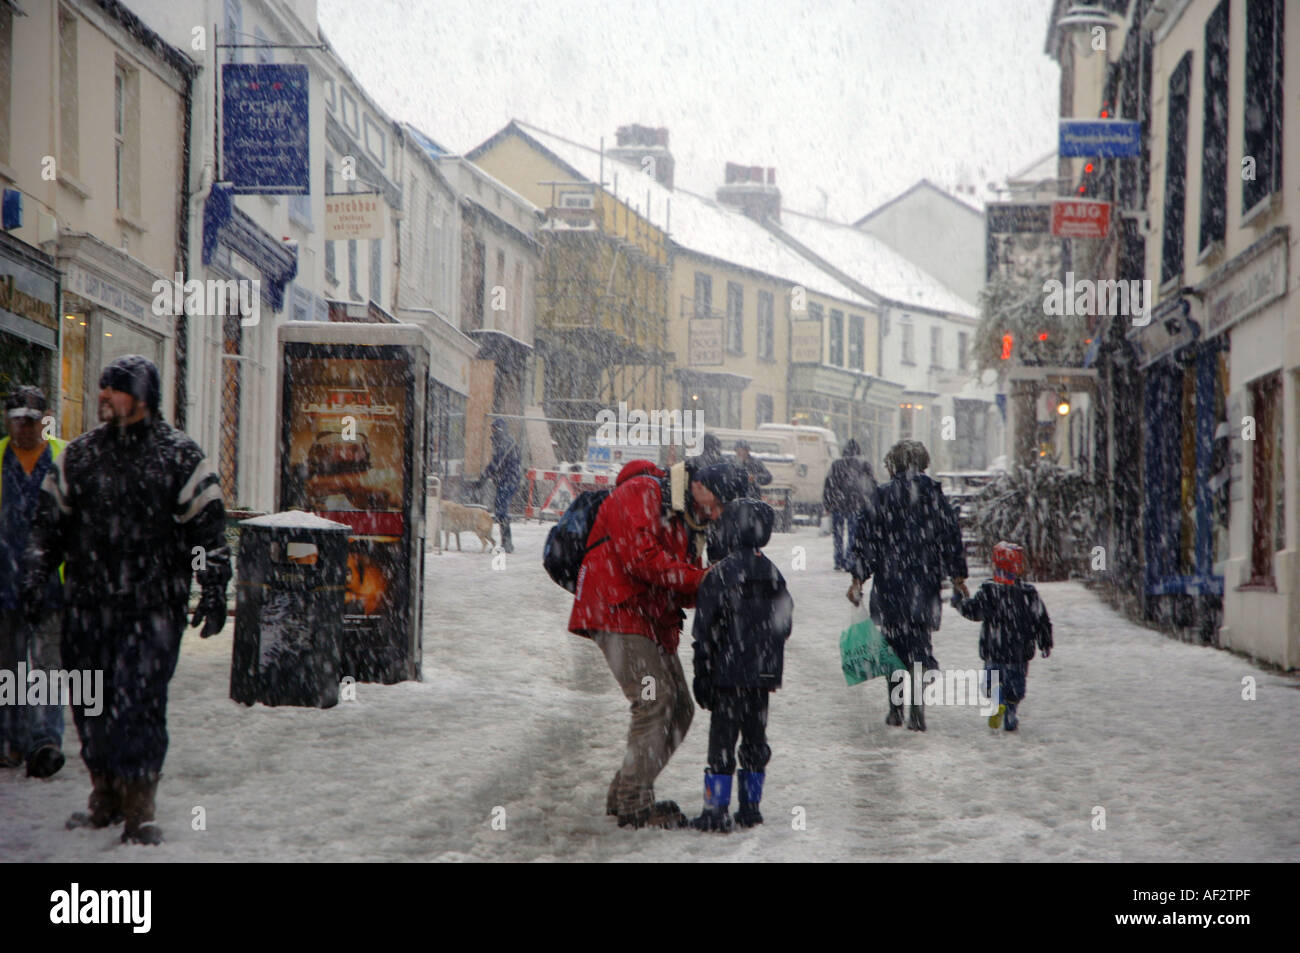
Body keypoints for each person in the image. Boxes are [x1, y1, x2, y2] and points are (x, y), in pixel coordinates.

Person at [23, 355, 231, 845]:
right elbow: (49, 522)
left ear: (141, 399)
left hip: (153, 607)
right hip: (88, 606)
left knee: (139, 702)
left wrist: (214, 584)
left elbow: (207, 530)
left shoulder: (180, 457)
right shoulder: (80, 456)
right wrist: (35, 573)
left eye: (114, 390)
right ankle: (105, 794)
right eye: (102, 388)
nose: (104, 397)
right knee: (91, 702)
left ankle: (140, 805)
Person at [568, 457, 744, 829]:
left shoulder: (686, 519)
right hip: (618, 610)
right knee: (654, 699)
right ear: (700, 485)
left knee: (680, 708)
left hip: (650, 620)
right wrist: (702, 579)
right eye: (718, 504)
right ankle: (634, 804)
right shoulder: (640, 493)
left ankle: (625, 793)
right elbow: (641, 558)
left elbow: (680, 585)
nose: (716, 516)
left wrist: (719, 586)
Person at [846, 439, 966, 732]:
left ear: (893, 464)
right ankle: (917, 708)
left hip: (890, 586)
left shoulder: (881, 496)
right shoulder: (934, 496)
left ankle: (895, 708)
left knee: (893, 647)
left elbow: (865, 541)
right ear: (922, 463)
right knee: (919, 646)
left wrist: (858, 578)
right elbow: (951, 539)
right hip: (923, 585)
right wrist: (958, 576)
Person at [690, 498, 793, 832]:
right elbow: (785, 625)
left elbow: (703, 631)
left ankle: (716, 809)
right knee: (754, 741)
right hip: (762, 676)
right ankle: (751, 808)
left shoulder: (720, 574)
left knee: (722, 743)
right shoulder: (774, 573)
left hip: (727, 675)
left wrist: (703, 672)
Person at [0, 386, 67, 778]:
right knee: (8, 669)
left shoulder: (64, 457)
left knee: (47, 668)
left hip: (52, 585)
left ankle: (44, 742)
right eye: (17, 419)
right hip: (5, 582)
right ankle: (11, 740)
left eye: (31, 419)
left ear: (45, 418)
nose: (24, 427)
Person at [951, 541, 1052, 731]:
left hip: (994, 649)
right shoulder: (1028, 593)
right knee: (1015, 688)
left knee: (991, 684)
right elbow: (1041, 620)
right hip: (1019, 652)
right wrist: (1045, 642)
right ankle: (1011, 713)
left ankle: (997, 702)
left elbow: (974, 611)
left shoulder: (990, 591)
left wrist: (959, 601)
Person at [822, 439, 875, 571]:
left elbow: (828, 485)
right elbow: (872, 484)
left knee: (838, 535)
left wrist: (828, 504)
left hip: (837, 505)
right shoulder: (863, 465)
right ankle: (849, 560)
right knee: (853, 534)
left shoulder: (836, 465)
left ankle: (838, 560)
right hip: (855, 504)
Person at [478, 417, 521, 553]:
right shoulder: (503, 442)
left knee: (501, 510)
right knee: (500, 509)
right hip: (507, 480)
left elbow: (497, 462)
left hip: (509, 481)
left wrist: (485, 476)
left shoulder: (505, 443)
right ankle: (506, 542)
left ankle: (507, 543)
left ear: (500, 430)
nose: (492, 432)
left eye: (494, 429)